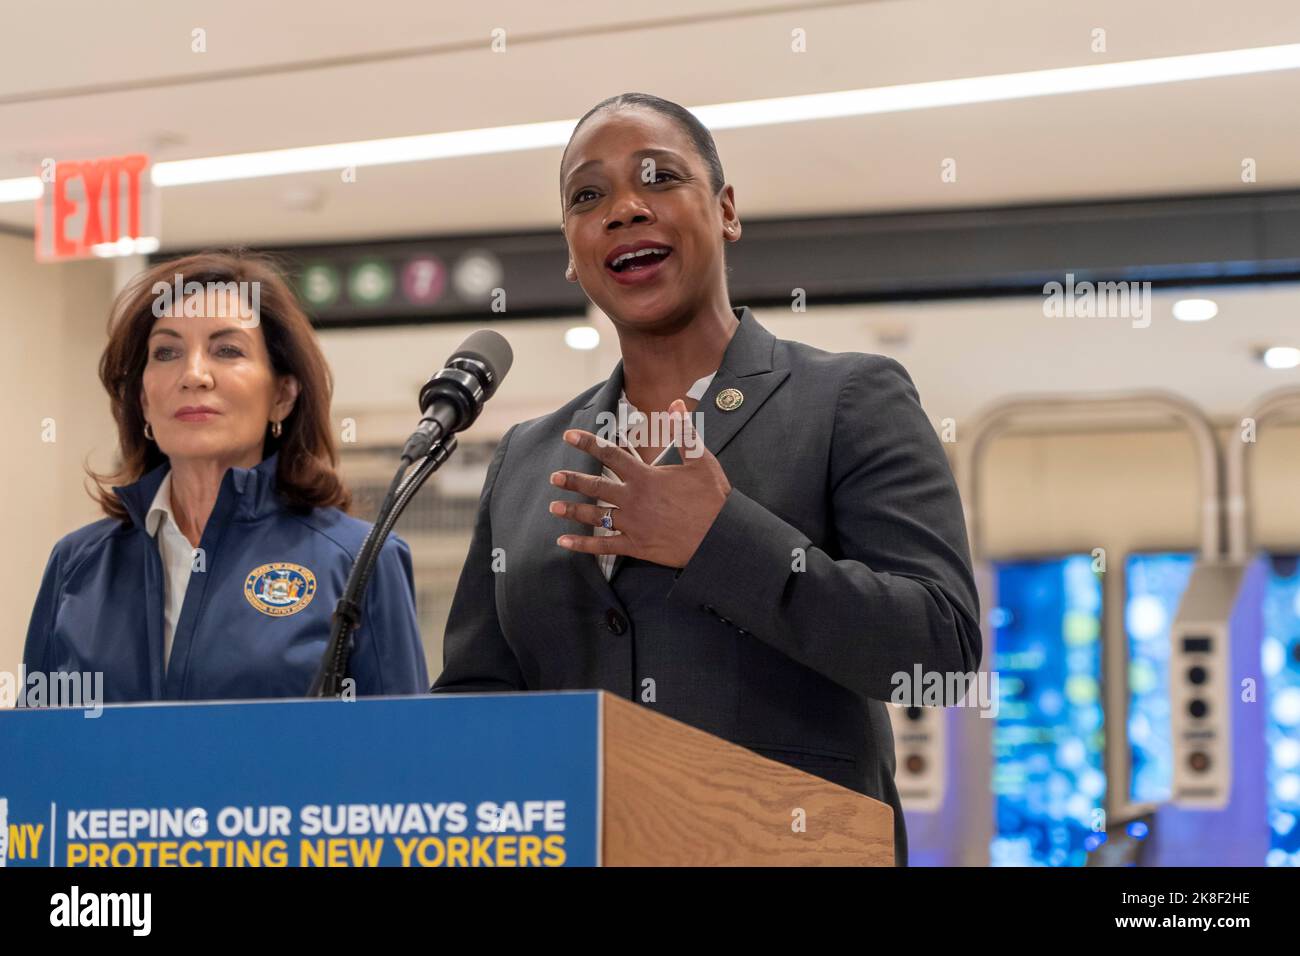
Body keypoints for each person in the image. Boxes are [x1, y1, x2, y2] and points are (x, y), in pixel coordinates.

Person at [431, 93, 981, 866]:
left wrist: (718, 540)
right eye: (588, 196)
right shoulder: (526, 457)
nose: (623, 209)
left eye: (658, 179)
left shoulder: (848, 399)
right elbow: (475, 702)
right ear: (572, 249)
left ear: (726, 210)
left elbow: (940, 659)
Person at [23, 250, 428, 702]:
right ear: (142, 400)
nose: (193, 375)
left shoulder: (361, 561)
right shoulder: (77, 564)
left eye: (227, 350)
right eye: (167, 352)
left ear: (283, 395)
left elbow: (404, 759)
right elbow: (35, 757)